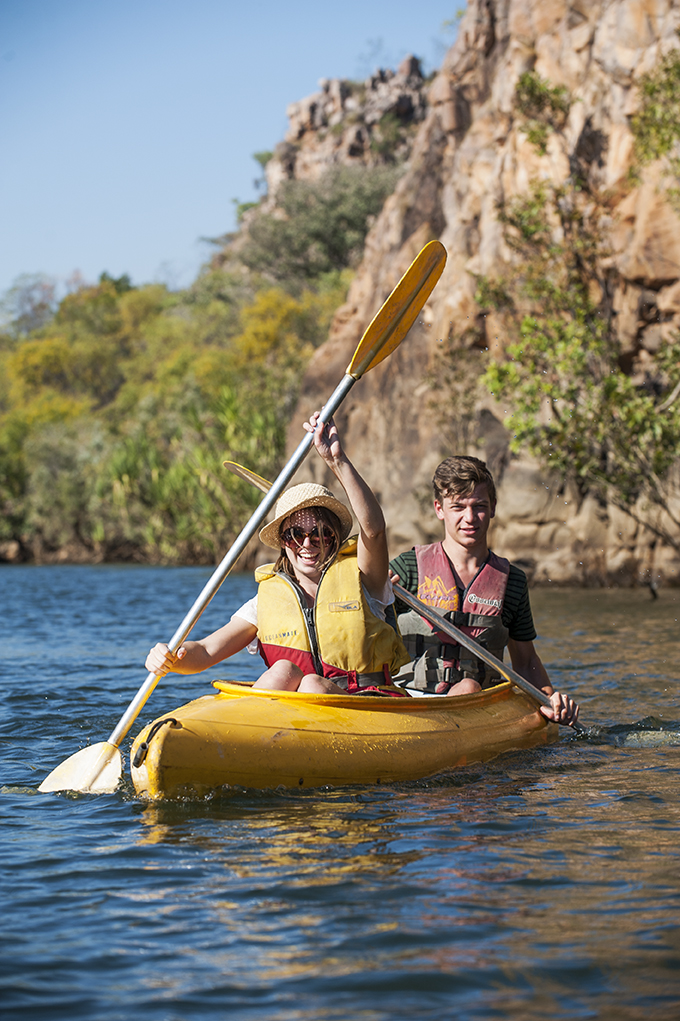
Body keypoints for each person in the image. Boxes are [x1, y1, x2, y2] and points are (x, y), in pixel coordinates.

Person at [145, 411, 410, 696]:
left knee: (312, 684)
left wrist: (337, 461)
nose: (307, 544)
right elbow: (206, 651)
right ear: (283, 542)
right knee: (283, 670)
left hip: (365, 703)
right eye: (295, 534)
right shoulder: (263, 603)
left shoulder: (366, 580)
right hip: (294, 709)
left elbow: (374, 531)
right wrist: (172, 657)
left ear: (334, 538)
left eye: (320, 533)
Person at [389, 455, 579, 725]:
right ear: (439, 509)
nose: (469, 518)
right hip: (408, 699)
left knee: (468, 686)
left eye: (479, 506)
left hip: (476, 705)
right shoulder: (407, 568)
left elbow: (525, 662)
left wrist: (549, 700)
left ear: (493, 508)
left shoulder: (512, 581)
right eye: (458, 507)